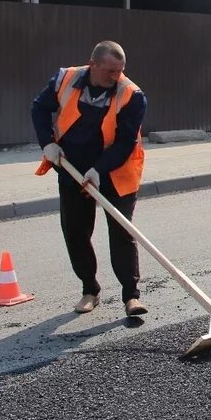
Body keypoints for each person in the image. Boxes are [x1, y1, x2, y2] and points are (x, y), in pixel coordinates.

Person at [32, 40, 149, 316]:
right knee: (75, 231)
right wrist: (47, 143)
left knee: (122, 231)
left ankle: (131, 296)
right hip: (72, 166)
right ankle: (90, 290)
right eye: (109, 71)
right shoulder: (66, 79)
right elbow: (39, 108)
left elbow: (124, 142)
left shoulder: (132, 95)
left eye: (119, 71)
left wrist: (99, 170)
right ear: (92, 64)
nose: (115, 76)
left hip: (115, 170)